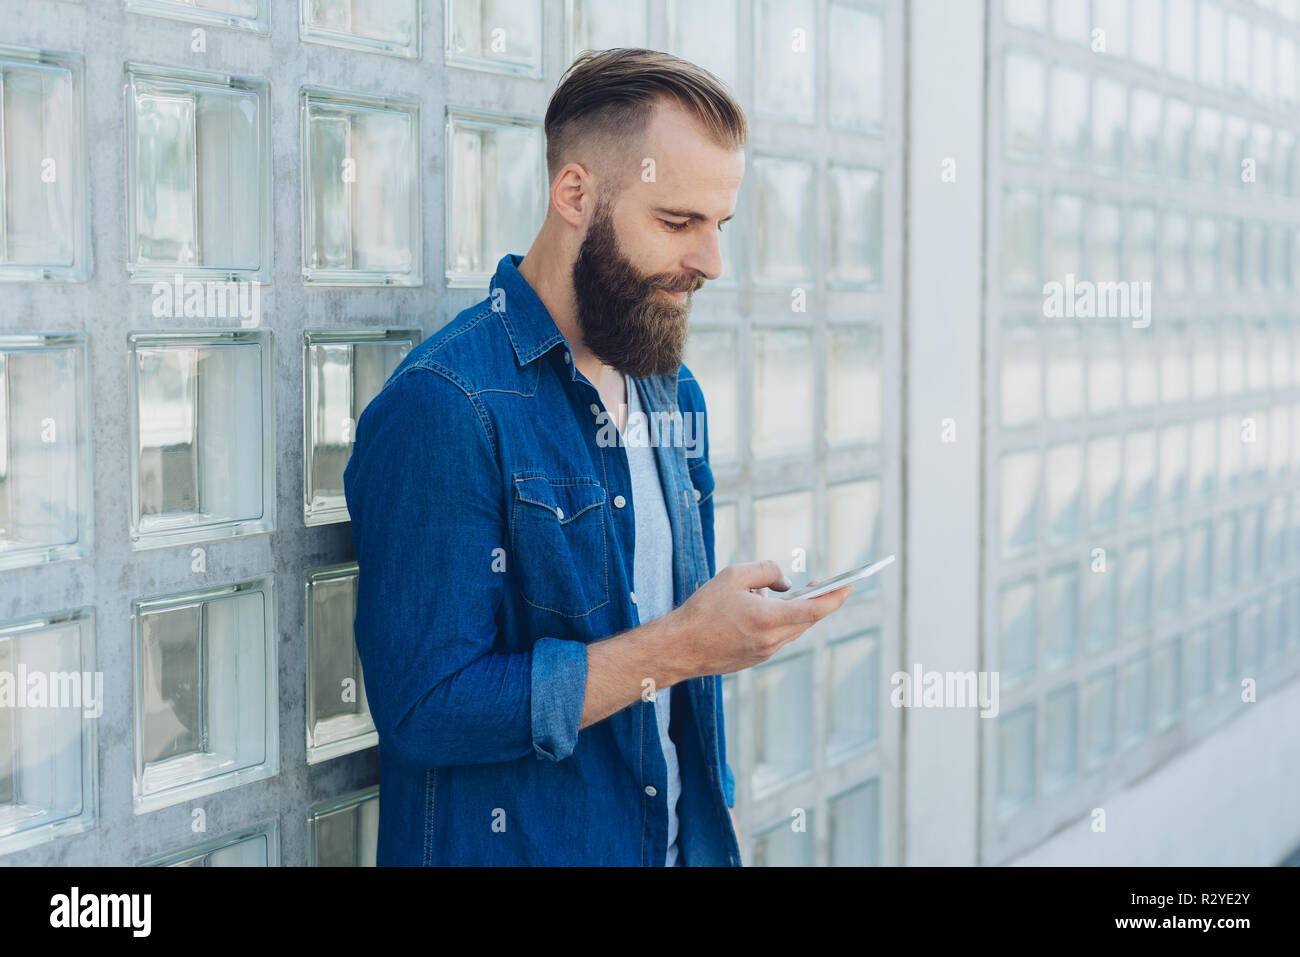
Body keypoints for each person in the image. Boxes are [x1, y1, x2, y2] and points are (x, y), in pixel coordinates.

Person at [343, 48, 852, 866]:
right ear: (574, 193)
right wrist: (686, 642)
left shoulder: (670, 393)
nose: (710, 262)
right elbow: (427, 708)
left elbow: (679, 696)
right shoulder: (445, 406)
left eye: (719, 226)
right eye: (678, 222)